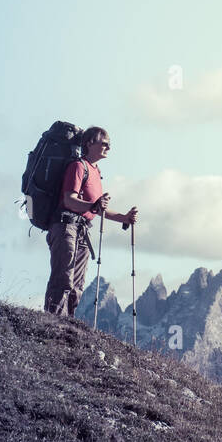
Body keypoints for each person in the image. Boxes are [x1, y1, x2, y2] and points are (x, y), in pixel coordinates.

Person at [43, 126, 138, 318]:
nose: (108, 148)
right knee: (63, 278)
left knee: (77, 283)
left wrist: (124, 218)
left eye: (109, 145)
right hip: (65, 226)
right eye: (104, 143)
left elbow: (97, 207)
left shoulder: (95, 171)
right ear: (89, 143)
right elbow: (69, 199)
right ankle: (51, 322)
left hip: (82, 230)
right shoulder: (78, 166)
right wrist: (93, 206)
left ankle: (67, 324)